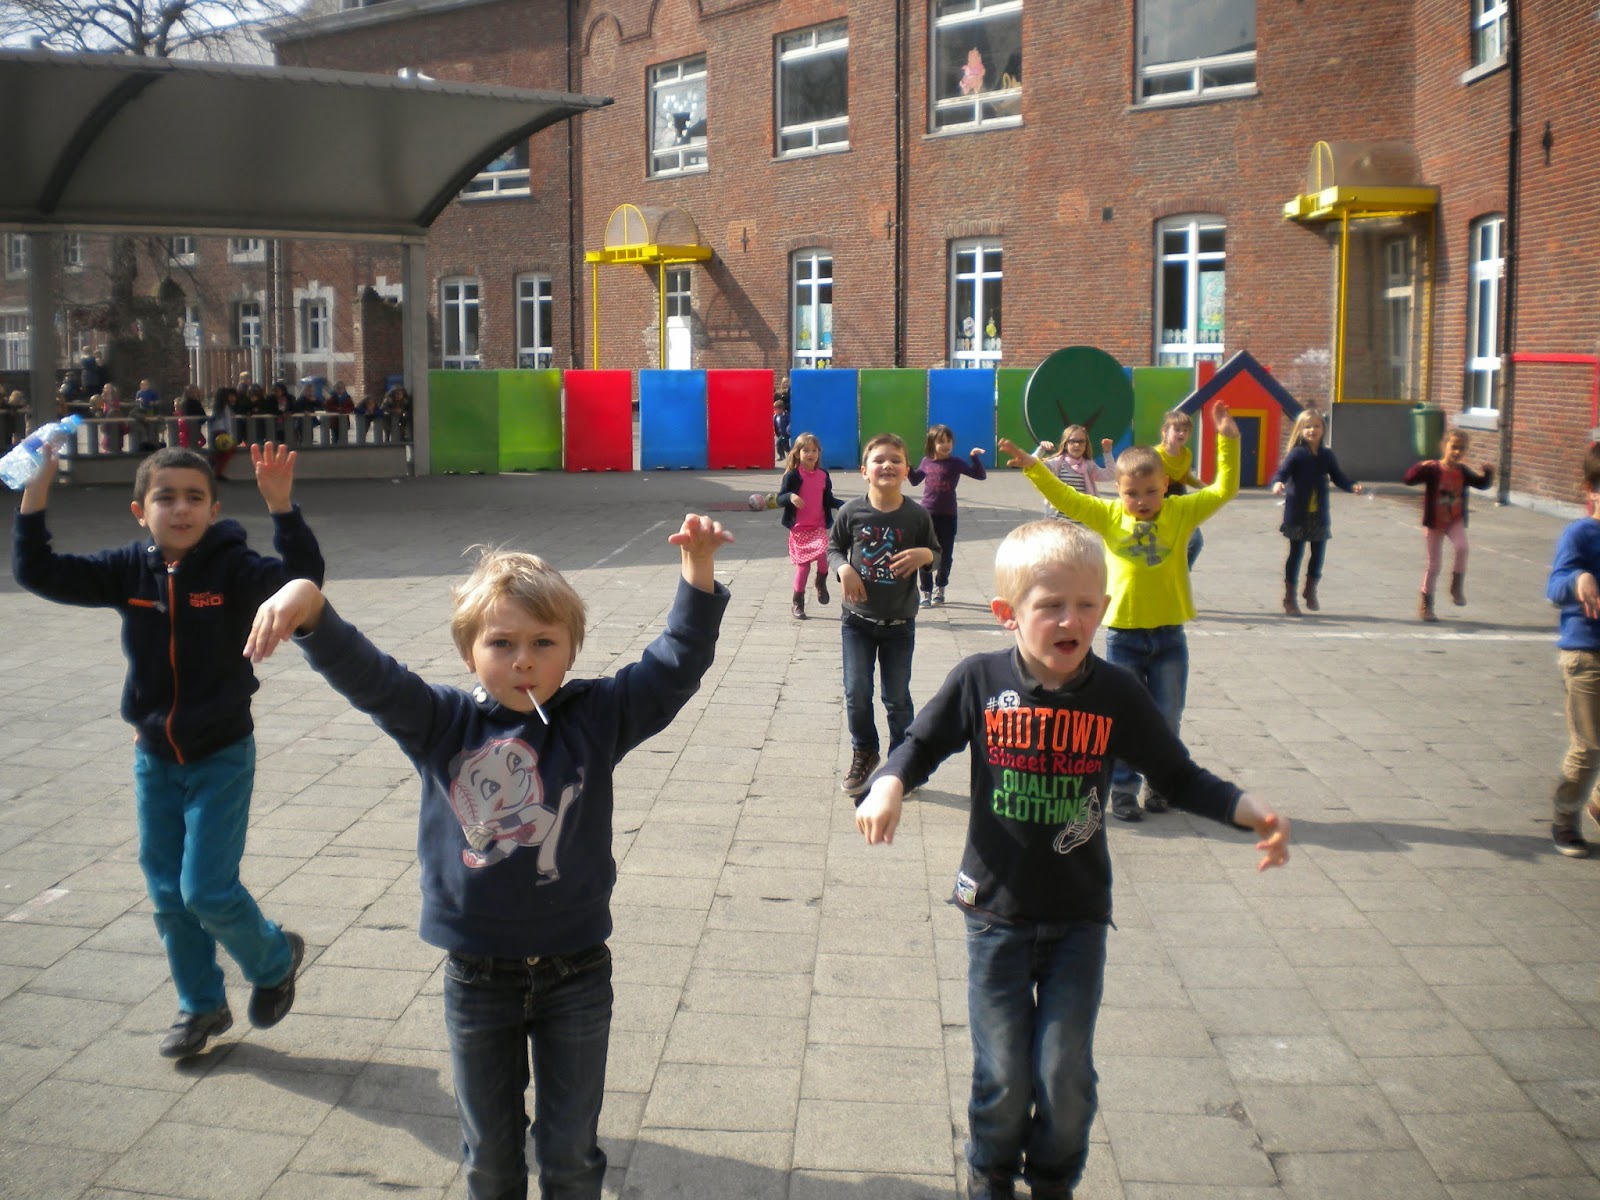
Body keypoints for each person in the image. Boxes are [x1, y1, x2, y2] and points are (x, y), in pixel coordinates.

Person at [242, 515, 735, 1200]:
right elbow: (372, 678)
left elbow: (673, 665)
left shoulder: (595, 718)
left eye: (543, 643)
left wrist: (698, 571)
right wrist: (309, 607)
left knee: (569, 1158)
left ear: (570, 652)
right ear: (469, 651)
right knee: (490, 1161)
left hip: (577, 973)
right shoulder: (443, 723)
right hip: (478, 977)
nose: (523, 660)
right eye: (500, 643)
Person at [853, 519, 1290, 1200]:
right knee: (1003, 1069)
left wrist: (1248, 807)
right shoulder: (979, 680)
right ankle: (991, 1166)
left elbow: (1178, 776)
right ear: (1008, 615)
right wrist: (889, 784)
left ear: (1105, 610)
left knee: (1063, 1071)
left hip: (1078, 918)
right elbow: (920, 742)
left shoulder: (1116, 694)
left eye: (1087, 605)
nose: (1071, 619)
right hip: (993, 914)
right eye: (1050, 605)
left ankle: (1053, 1174)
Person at [11, 443, 323, 1059]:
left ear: (213, 508)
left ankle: (273, 957)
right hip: (154, 757)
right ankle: (200, 1004)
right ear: (139, 509)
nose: (180, 509)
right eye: (165, 497)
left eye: (193, 498)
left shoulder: (232, 568)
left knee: (205, 890)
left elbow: (303, 580)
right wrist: (35, 490)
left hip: (221, 755)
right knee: (167, 894)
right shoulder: (130, 570)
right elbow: (38, 571)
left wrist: (283, 508)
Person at [999, 402, 1239, 822]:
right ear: (1119, 491)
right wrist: (1032, 466)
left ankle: (1163, 784)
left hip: (1169, 636)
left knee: (1167, 715)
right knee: (1125, 716)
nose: (1141, 501)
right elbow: (1067, 498)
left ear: (1166, 485)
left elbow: (1223, 490)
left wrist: (1227, 442)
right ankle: (1123, 790)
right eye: (1131, 493)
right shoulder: (1109, 516)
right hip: (1124, 636)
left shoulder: (1182, 513)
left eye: (1150, 492)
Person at [827, 433, 941, 798]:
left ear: (908, 470)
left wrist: (925, 555)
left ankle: (901, 762)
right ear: (864, 471)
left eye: (895, 459)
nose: (887, 464)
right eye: (879, 459)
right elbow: (832, 548)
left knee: (896, 698)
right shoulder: (851, 512)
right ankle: (865, 749)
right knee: (856, 692)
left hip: (899, 625)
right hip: (856, 622)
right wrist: (842, 568)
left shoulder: (916, 515)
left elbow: (937, 552)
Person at [1546, 442, 1600, 858]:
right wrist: (1579, 578)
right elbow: (1555, 585)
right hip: (1585, 655)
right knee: (1589, 745)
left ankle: (1597, 801)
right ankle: (1565, 817)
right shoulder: (1581, 533)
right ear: (1591, 490)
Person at [1269, 409, 1362, 616]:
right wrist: (1277, 484)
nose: (1312, 430)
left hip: (1318, 515)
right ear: (1300, 430)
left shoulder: (1326, 455)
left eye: (1316, 426)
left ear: (1323, 429)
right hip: (1297, 514)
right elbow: (1281, 473)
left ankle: (1310, 589)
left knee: (1318, 554)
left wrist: (1352, 485)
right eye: (1308, 426)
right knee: (1296, 553)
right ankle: (1289, 597)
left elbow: (1338, 476)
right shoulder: (1297, 454)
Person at [1403, 430, 1494, 623]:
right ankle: (1427, 603)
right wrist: (1419, 466)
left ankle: (1456, 585)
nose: (1457, 452)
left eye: (1461, 448)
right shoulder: (1433, 469)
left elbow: (1481, 484)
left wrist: (1488, 474)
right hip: (1435, 522)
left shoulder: (1463, 471)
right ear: (1444, 446)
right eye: (1453, 447)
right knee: (1434, 565)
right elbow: (1408, 480)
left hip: (1454, 520)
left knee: (1462, 548)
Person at [909, 423, 987, 606]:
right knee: (925, 553)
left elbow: (980, 475)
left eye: (949, 441)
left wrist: (974, 458)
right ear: (931, 443)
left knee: (945, 555)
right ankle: (926, 592)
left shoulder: (956, 463)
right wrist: (907, 467)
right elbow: (914, 481)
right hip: (927, 515)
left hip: (948, 516)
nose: (946, 445)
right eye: (941, 441)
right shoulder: (926, 462)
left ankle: (940, 588)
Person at [777, 431, 841, 619]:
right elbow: (780, 498)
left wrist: (842, 505)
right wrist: (791, 496)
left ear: (819, 453)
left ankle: (821, 581)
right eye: (806, 450)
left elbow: (828, 498)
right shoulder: (793, 476)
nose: (810, 454)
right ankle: (798, 601)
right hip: (799, 528)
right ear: (797, 453)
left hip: (818, 526)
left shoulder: (823, 475)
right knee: (803, 567)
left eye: (814, 450)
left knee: (823, 555)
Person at [1154, 409, 1206, 569]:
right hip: (1159, 500)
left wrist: (1204, 487)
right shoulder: (1155, 455)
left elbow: (1186, 476)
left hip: (1180, 498)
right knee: (1163, 543)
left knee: (1195, 540)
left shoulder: (1187, 454)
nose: (1181, 433)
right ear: (1165, 431)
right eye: (1177, 429)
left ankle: (1181, 572)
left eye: (1185, 430)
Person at [1033, 425, 1114, 516]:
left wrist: (1108, 453)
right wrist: (1041, 449)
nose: (1077, 445)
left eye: (1081, 441)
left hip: (1082, 519)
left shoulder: (1088, 465)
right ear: (1065, 444)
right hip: (1058, 520)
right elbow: (1031, 466)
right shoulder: (1055, 464)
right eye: (1072, 441)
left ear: (1085, 445)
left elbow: (1110, 474)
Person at [208, 387, 240, 481]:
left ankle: (213, 463)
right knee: (229, 450)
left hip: (215, 431)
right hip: (222, 432)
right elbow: (227, 423)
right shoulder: (225, 408)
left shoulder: (216, 407)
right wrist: (231, 436)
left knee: (220, 452)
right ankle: (217, 471)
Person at [773, 388, 792, 462]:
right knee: (786, 446)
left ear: (781, 409)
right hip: (780, 433)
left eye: (776, 409)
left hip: (785, 434)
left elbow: (790, 421)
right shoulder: (775, 416)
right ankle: (791, 455)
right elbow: (775, 424)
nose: (775, 411)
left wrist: (788, 428)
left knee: (778, 443)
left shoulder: (786, 415)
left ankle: (781, 456)